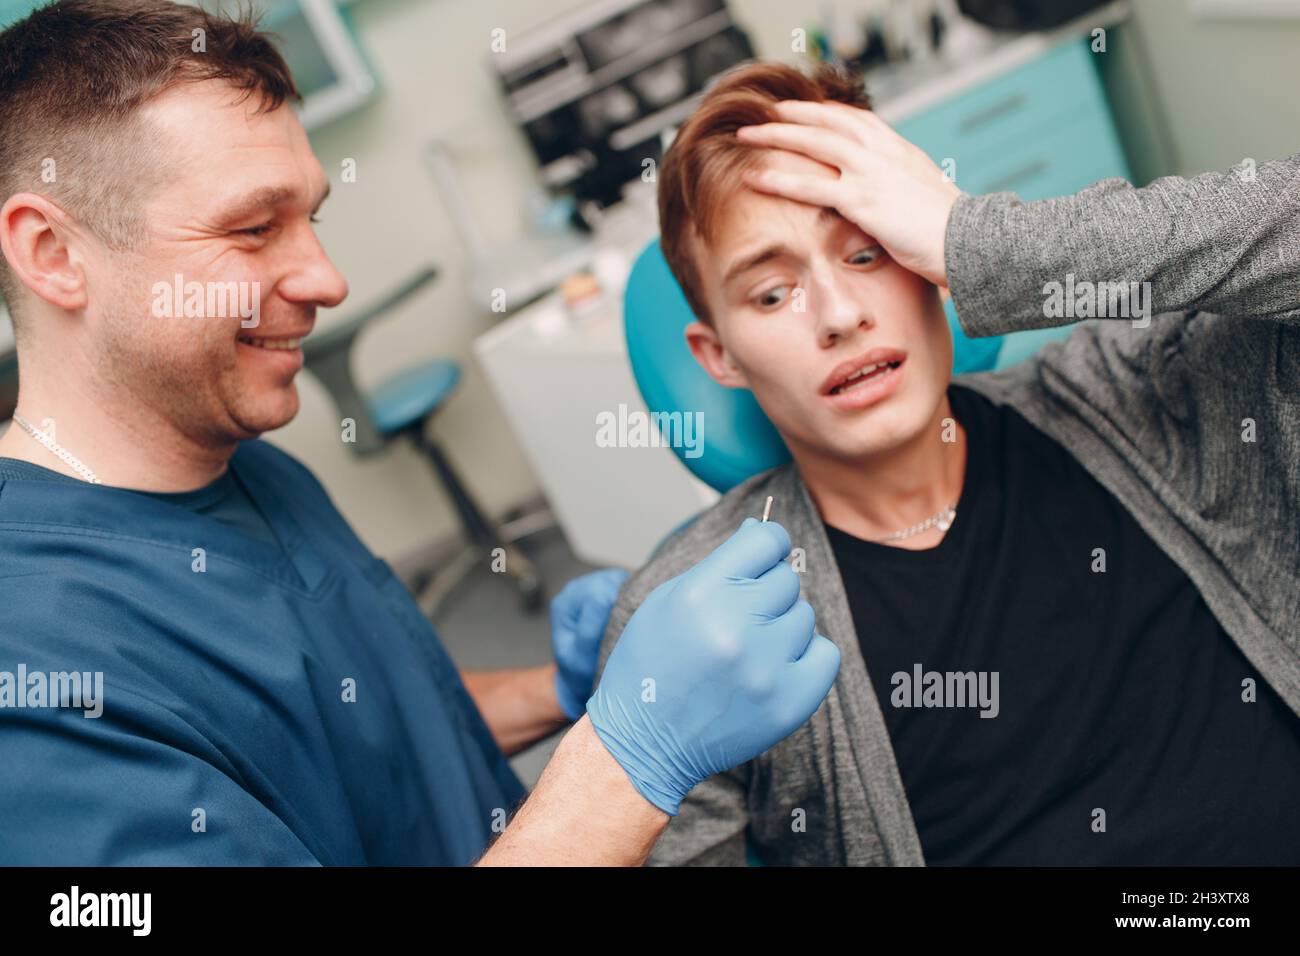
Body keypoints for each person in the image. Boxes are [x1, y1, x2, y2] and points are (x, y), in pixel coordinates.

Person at [0, 0, 841, 866]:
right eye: (253, 229)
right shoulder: (37, 684)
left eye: (311, 221)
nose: (326, 280)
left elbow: (352, 747)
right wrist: (628, 759)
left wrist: (565, 694)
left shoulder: (246, 465)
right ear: (54, 253)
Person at [596, 60, 1300, 865]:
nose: (840, 315)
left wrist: (979, 239)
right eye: (770, 294)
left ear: (924, 259)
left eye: (865, 254)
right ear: (717, 355)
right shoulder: (701, 624)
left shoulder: (1145, 397)